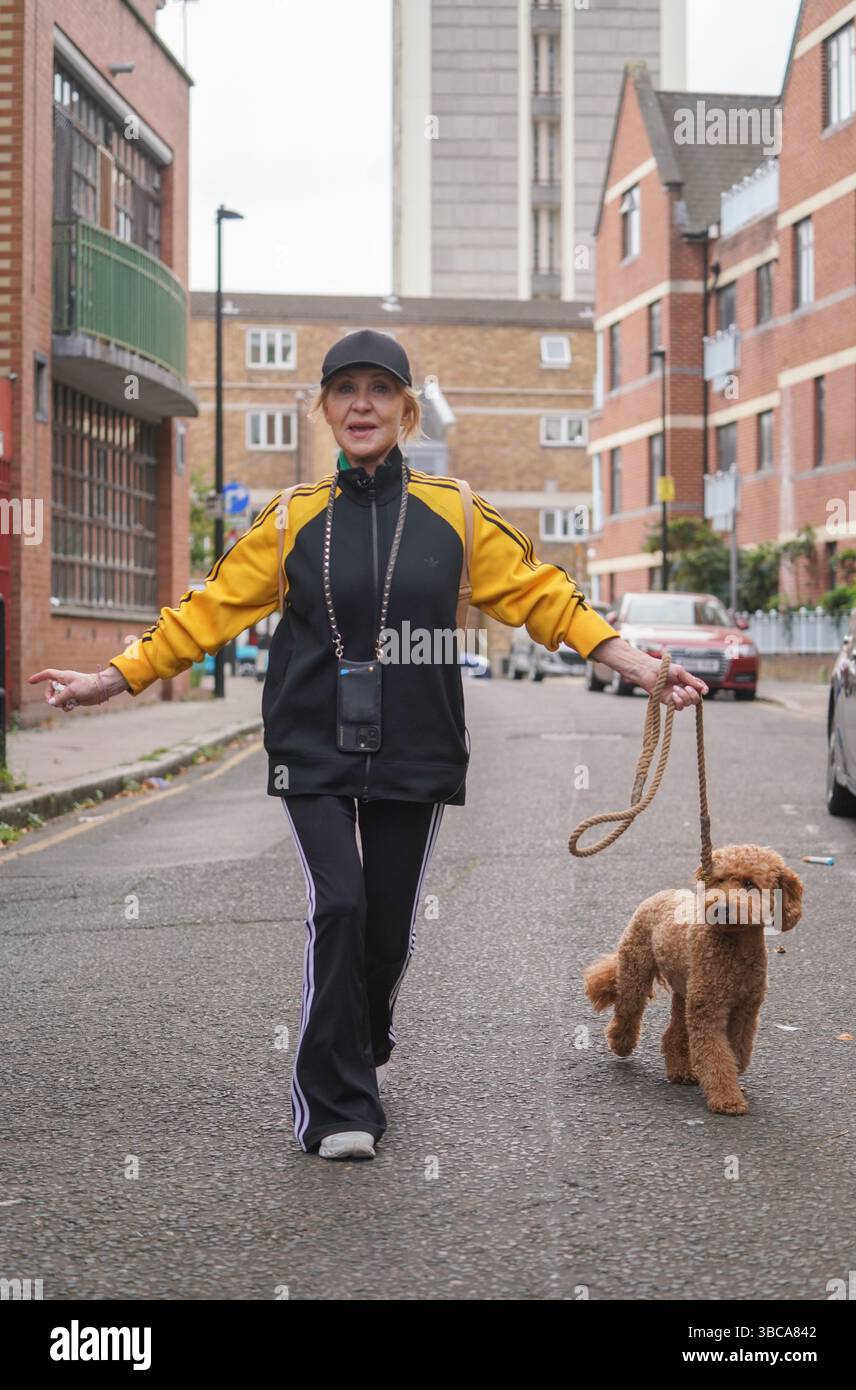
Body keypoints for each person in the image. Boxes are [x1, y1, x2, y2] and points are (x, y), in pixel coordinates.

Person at [29, 329, 709, 1162]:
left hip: (416, 745)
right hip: (311, 740)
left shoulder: (454, 510)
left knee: (385, 930)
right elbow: (204, 612)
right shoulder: (289, 520)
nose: (360, 403)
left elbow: (543, 597)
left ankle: (364, 1031)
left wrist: (637, 663)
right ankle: (336, 1103)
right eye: (344, 388)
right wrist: (111, 678)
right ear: (323, 409)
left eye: (378, 390)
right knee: (339, 906)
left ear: (404, 409)